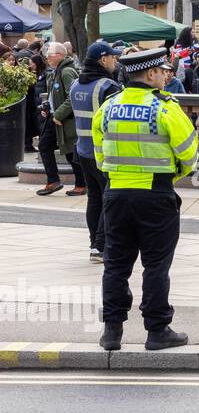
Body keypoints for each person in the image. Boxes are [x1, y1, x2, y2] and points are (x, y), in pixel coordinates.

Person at [93, 47, 199, 351]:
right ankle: (157, 330)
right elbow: (189, 154)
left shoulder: (109, 107)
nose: (166, 76)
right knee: (155, 265)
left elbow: (100, 153)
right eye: (163, 72)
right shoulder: (164, 108)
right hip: (155, 195)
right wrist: (171, 174)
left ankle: (112, 331)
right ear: (151, 74)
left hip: (115, 194)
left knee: (115, 264)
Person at [66, 41, 122, 263]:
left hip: (83, 151)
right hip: (103, 153)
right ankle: (100, 247)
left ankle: (93, 244)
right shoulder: (108, 86)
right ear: (103, 60)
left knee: (94, 199)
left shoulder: (76, 85)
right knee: (108, 199)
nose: (115, 61)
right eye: (113, 57)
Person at [38, 42, 86, 197]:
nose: (47, 57)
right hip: (55, 118)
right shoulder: (55, 72)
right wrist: (48, 108)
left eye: (50, 54)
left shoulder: (67, 72)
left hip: (65, 120)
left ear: (59, 55)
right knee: (45, 146)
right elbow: (55, 96)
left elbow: (73, 97)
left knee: (71, 152)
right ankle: (53, 181)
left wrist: (58, 114)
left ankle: (81, 184)